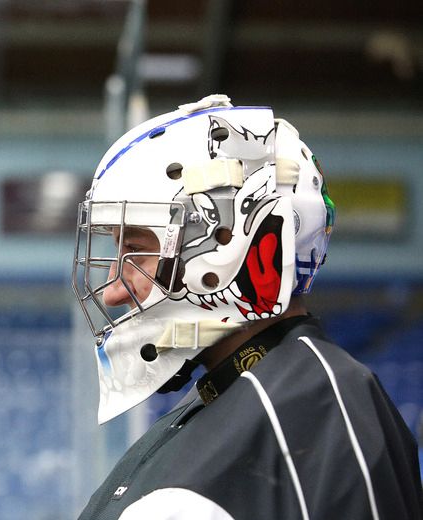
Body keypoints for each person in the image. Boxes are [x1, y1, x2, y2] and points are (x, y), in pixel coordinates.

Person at [72, 94, 422, 519]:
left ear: (225, 245)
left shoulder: (321, 409)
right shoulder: (229, 396)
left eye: (135, 250)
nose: (111, 292)